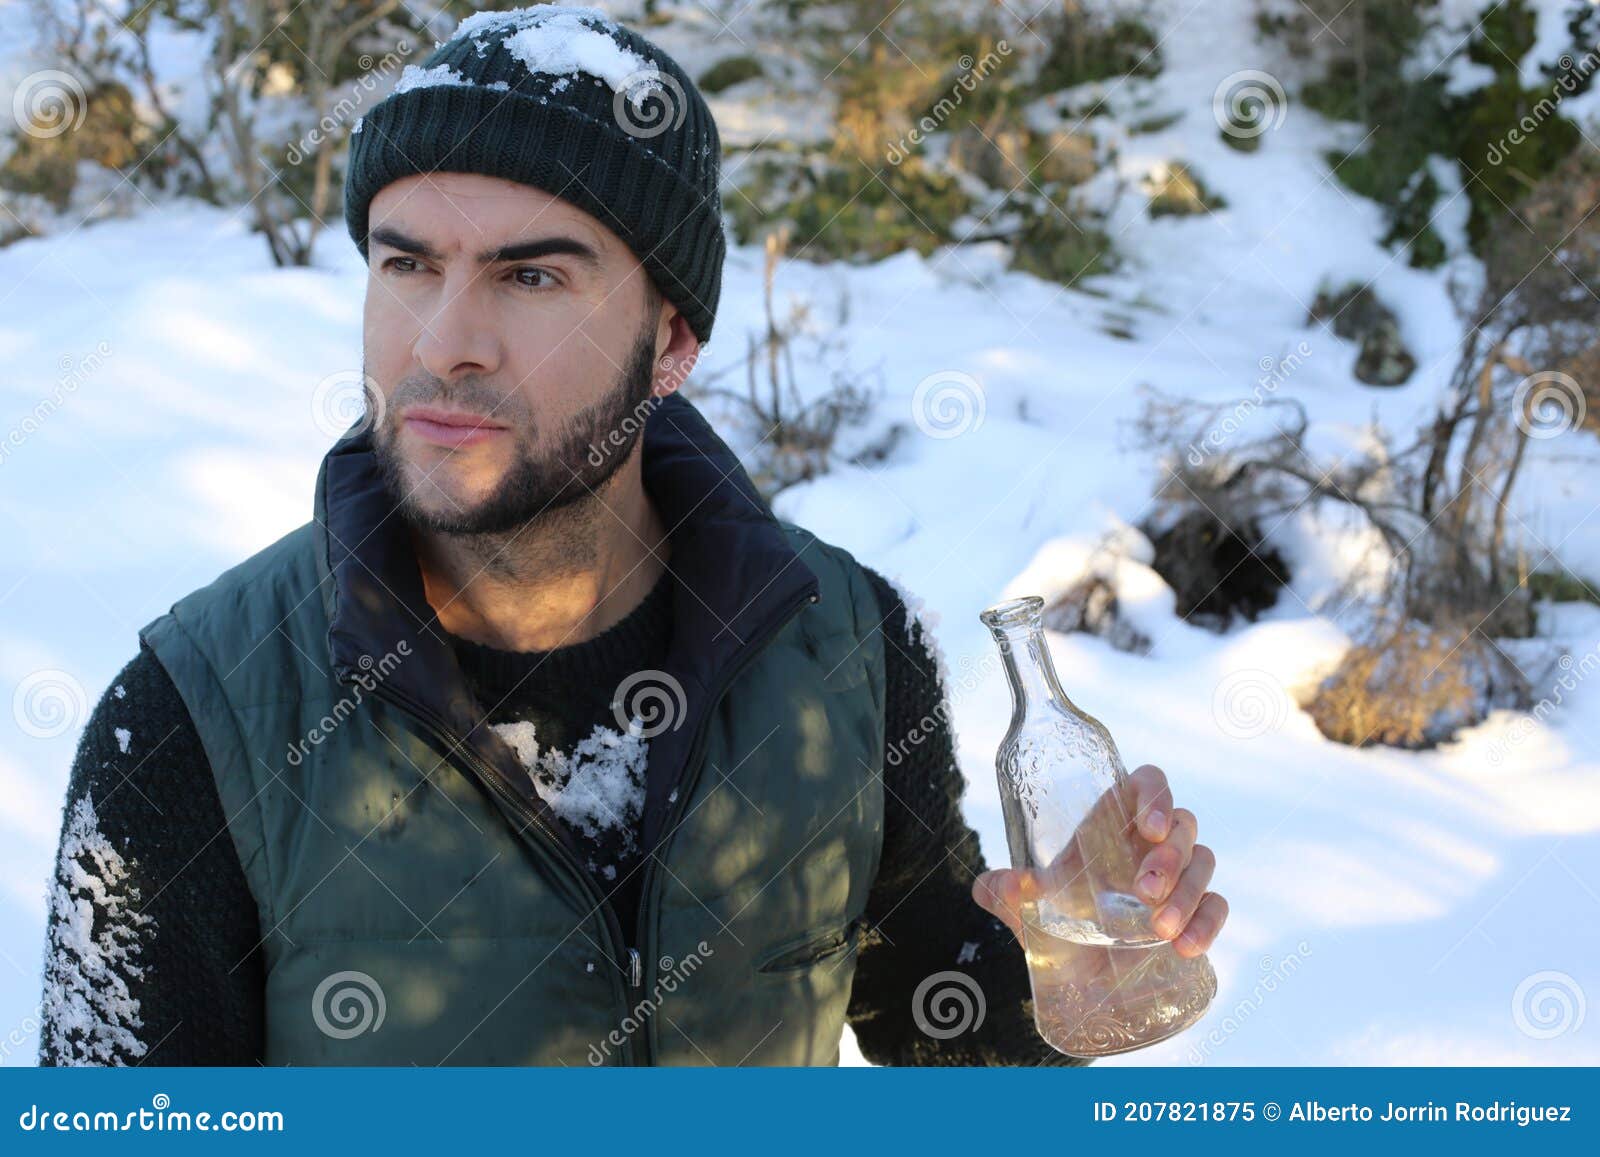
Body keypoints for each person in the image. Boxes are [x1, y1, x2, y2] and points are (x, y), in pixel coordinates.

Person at [37, 4, 1226, 1066]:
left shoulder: (845, 644)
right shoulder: (191, 720)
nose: (445, 342)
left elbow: (936, 1028)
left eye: (532, 278)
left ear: (671, 342)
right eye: (407, 264)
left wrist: (1054, 974)